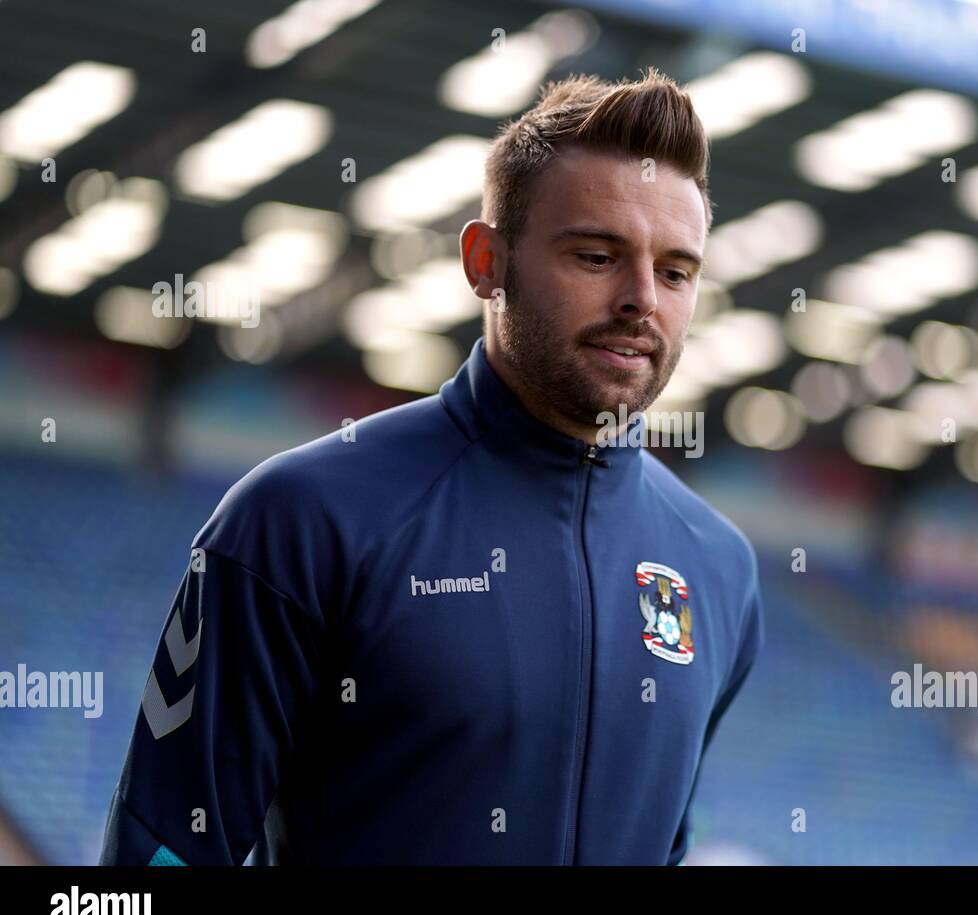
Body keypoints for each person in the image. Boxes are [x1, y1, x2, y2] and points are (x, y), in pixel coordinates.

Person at [100, 67, 765, 865]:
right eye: (596, 256)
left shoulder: (717, 568)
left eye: (676, 272)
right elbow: (155, 861)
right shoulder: (303, 520)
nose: (642, 300)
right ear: (487, 261)